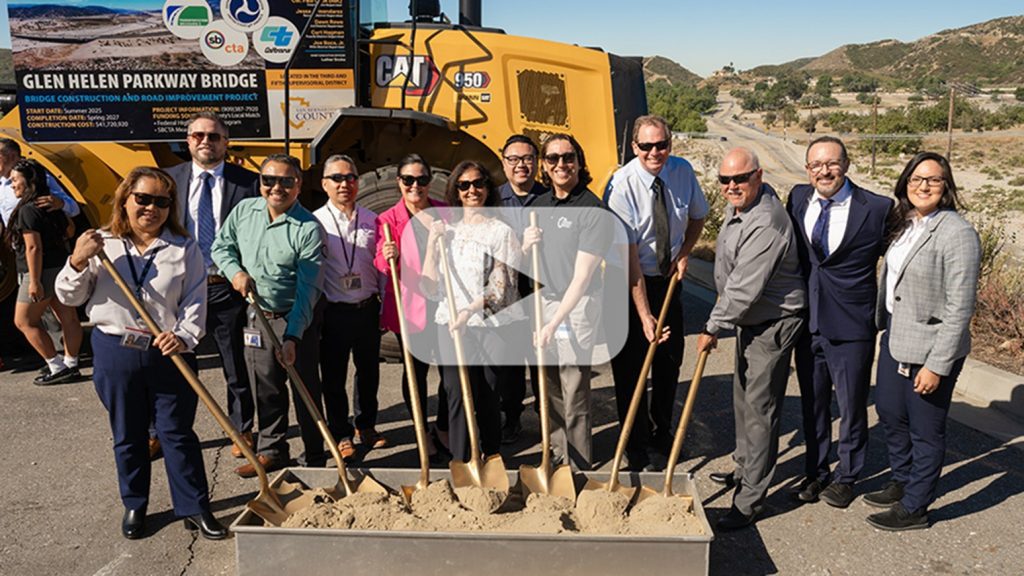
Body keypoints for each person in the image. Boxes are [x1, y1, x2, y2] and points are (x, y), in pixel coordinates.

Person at [54, 166, 226, 540]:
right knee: (128, 433)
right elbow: (70, 296)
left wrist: (183, 336)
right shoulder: (101, 243)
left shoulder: (183, 247)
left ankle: (194, 506)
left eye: (162, 202)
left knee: (176, 432)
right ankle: (135, 503)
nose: (152, 208)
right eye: (143, 199)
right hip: (115, 350)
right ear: (125, 199)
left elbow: (196, 300)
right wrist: (78, 261)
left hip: (169, 350)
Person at [866, 152, 980, 531]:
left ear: (946, 187)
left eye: (933, 179)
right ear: (906, 184)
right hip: (896, 336)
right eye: (916, 178)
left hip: (931, 346)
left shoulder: (957, 233)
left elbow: (960, 307)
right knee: (889, 412)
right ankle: (903, 479)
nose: (924, 186)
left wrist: (937, 365)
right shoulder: (907, 223)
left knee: (925, 430)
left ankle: (916, 506)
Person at [697, 148, 806, 531]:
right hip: (751, 320)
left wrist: (712, 326)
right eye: (725, 180)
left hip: (773, 322)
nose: (732, 186)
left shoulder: (767, 222)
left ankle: (749, 501)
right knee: (743, 399)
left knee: (760, 409)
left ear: (758, 176)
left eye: (740, 179)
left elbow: (745, 287)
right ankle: (745, 470)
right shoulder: (740, 206)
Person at [785, 136, 893, 507]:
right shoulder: (798, 198)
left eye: (832, 163)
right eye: (816, 165)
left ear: (846, 164)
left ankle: (847, 476)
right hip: (809, 321)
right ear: (807, 170)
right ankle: (816, 472)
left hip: (852, 324)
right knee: (813, 405)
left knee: (851, 407)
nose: (824, 171)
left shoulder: (877, 208)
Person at [211, 154, 326, 477]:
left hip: (296, 315)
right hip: (257, 315)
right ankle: (272, 451)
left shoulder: (308, 228)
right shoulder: (244, 211)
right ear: (260, 183)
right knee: (265, 387)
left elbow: (308, 290)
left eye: (286, 181)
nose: (277, 187)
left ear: (298, 185)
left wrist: (292, 336)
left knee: (304, 389)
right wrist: (234, 272)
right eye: (269, 180)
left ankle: (316, 456)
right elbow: (221, 247)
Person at [605, 114, 708, 471]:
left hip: (668, 280)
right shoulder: (621, 185)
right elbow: (629, 257)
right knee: (632, 367)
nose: (654, 152)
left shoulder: (682, 171)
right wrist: (644, 314)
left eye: (661, 145)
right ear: (635, 147)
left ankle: (661, 431)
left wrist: (685, 252)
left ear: (669, 143)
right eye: (646, 146)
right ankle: (634, 444)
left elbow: (698, 216)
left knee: (668, 360)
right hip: (629, 281)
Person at [166, 111, 260, 461]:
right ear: (187, 141)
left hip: (225, 286)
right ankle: (165, 431)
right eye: (198, 135)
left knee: (236, 366)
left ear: (227, 142)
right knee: (174, 365)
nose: (206, 141)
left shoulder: (249, 183)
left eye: (214, 136)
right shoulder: (168, 180)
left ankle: (241, 429)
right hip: (179, 289)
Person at [420, 160, 523, 462]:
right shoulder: (447, 232)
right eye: (464, 185)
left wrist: (468, 312)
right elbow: (428, 286)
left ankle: (491, 455)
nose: (472, 190)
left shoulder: (501, 232)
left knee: (488, 393)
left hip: (490, 324)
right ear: (456, 191)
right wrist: (432, 245)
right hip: (450, 323)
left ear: (488, 188)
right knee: (456, 393)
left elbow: (501, 288)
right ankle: (461, 459)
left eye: (478, 183)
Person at [522, 133, 614, 471]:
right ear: (545, 166)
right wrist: (525, 243)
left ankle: (578, 463)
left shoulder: (592, 209)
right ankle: (557, 450)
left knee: (573, 386)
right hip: (543, 302)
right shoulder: (538, 205)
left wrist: (554, 323)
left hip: (576, 308)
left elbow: (582, 278)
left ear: (579, 161)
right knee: (548, 385)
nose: (561, 164)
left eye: (568, 157)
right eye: (553, 158)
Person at [375, 154, 449, 463]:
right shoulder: (387, 220)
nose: (415, 185)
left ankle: (444, 427)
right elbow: (381, 264)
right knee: (415, 372)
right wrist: (386, 255)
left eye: (421, 179)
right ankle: (422, 430)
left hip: (445, 306)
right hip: (410, 309)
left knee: (450, 372)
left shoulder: (445, 213)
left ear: (430, 182)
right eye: (408, 179)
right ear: (399, 182)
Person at [313, 154, 387, 462]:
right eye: (337, 178)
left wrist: (384, 306)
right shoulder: (315, 221)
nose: (345, 184)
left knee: (369, 372)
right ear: (324, 184)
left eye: (351, 177)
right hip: (334, 311)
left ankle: (365, 425)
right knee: (333, 376)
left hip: (367, 308)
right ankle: (341, 434)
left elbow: (382, 266)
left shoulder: (372, 219)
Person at [5, 159, 83, 385]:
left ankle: (56, 366)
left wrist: (34, 281)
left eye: (15, 180)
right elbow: (70, 231)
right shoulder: (51, 205)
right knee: (68, 317)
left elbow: (33, 248)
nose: (12, 185)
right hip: (60, 266)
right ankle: (71, 363)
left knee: (24, 321)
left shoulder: (27, 210)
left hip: (40, 271)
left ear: (29, 181)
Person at [495, 134, 545, 444]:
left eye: (527, 158)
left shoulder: (549, 198)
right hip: (508, 296)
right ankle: (511, 418)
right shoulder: (493, 201)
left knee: (543, 360)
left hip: (542, 294)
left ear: (537, 163)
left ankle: (547, 419)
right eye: (513, 159)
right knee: (509, 364)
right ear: (504, 163)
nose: (520, 165)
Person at [0, 138, 80, 229]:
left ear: (12, 156)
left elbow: (74, 208)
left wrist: (60, 203)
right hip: (14, 236)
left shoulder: (36, 176)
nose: (13, 186)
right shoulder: (2, 183)